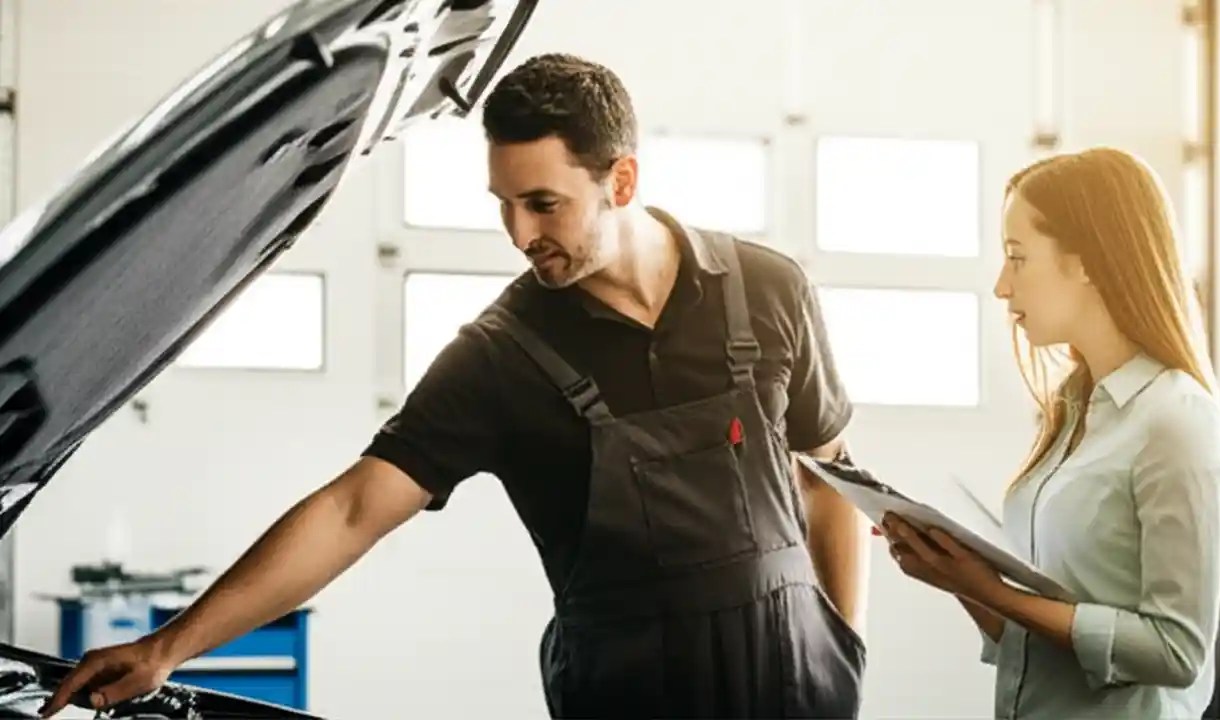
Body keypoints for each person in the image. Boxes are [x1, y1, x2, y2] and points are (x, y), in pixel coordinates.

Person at [40, 53, 870, 719]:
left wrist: (843, 648)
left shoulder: (767, 288)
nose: (519, 234)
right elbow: (352, 509)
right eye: (504, 204)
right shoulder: (500, 357)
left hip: (799, 693)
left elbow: (830, 478)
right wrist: (169, 648)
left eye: (543, 204)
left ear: (620, 181)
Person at [879, 147, 1220, 719]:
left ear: (1087, 262)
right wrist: (951, 574)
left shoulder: (1176, 421)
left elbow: (1177, 653)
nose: (1002, 287)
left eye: (1017, 257)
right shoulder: (1074, 410)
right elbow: (1034, 643)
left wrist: (995, 589)